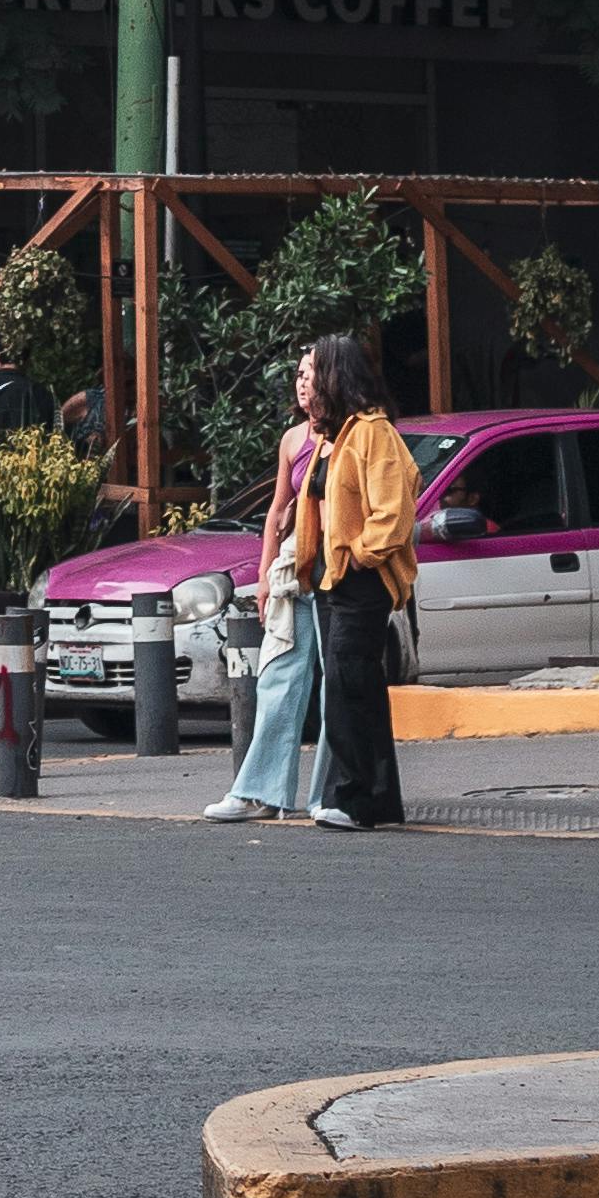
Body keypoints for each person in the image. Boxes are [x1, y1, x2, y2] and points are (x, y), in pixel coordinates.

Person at [299, 326, 419, 831]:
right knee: (349, 688)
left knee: (352, 686)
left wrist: (358, 556)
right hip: (332, 581)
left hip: (359, 581)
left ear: (334, 377)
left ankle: (358, 799)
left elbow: (393, 511)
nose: (303, 383)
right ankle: (369, 798)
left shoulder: (374, 432)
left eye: (311, 372)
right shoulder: (333, 437)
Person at [202, 349, 329, 823]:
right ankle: (260, 791)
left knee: (334, 684)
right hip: (297, 568)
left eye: (311, 375)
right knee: (280, 677)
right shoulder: (294, 438)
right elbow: (278, 510)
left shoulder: (353, 435)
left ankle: (329, 795)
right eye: (298, 375)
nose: (302, 384)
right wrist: (264, 574)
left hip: (338, 571)